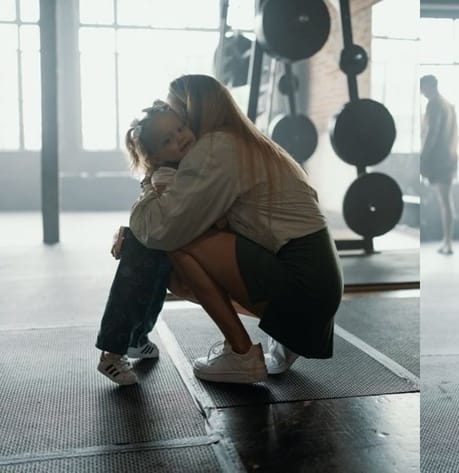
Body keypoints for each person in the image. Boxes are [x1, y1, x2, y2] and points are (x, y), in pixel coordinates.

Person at [129, 74, 343, 384]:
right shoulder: (246, 141)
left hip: (305, 285)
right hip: (321, 284)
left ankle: (241, 354)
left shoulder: (216, 148)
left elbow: (162, 230)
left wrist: (148, 181)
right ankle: (282, 341)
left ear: (193, 109)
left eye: (176, 113)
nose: (173, 117)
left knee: (177, 248)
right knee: (194, 234)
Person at [95, 100, 196, 386]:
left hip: (156, 245)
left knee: (152, 297)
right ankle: (111, 354)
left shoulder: (177, 165)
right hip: (144, 247)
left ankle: (137, 341)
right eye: (168, 140)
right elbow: (172, 206)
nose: (180, 137)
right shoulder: (166, 174)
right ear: (155, 156)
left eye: (180, 128)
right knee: (128, 298)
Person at [419, 74, 458, 255]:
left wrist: (424, 157)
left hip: (439, 160)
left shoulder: (434, 104)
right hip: (449, 158)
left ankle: (448, 241)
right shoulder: (448, 105)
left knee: (444, 201)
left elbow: (431, 134)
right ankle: (447, 240)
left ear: (429, 86)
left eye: (423, 87)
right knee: (445, 201)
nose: (421, 91)